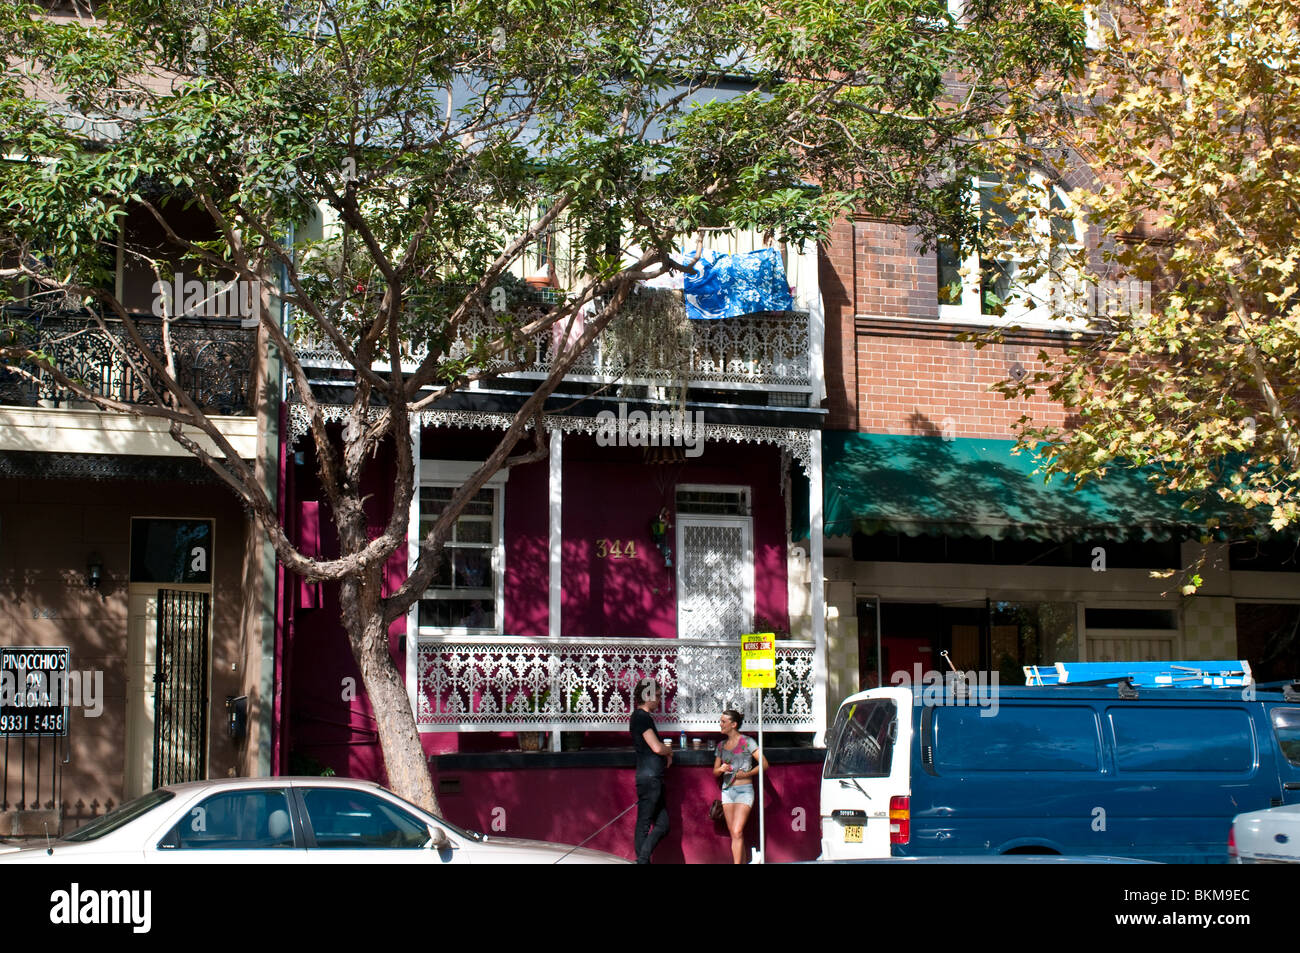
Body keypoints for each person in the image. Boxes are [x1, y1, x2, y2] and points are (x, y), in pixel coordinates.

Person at [713, 708, 769, 864]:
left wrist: (746, 774)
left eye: (724, 722)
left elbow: (764, 764)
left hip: (744, 791)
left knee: (737, 831)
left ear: (734, 724)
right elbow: (715, 771)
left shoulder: (748, 742)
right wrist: (721, 769)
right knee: (735, 834)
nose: (720, 724)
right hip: (727, 791)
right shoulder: (721, 745)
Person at [629, 677, 672, 864]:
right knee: (644, 824)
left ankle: (643, 859)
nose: (659, 700)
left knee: (663, 824)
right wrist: (669, 750)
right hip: (650, 778)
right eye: (657, 695)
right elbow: (656, 747)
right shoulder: (641, 717)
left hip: (653, 777)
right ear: (647, 695)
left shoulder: (643, 717)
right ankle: (642, 861)